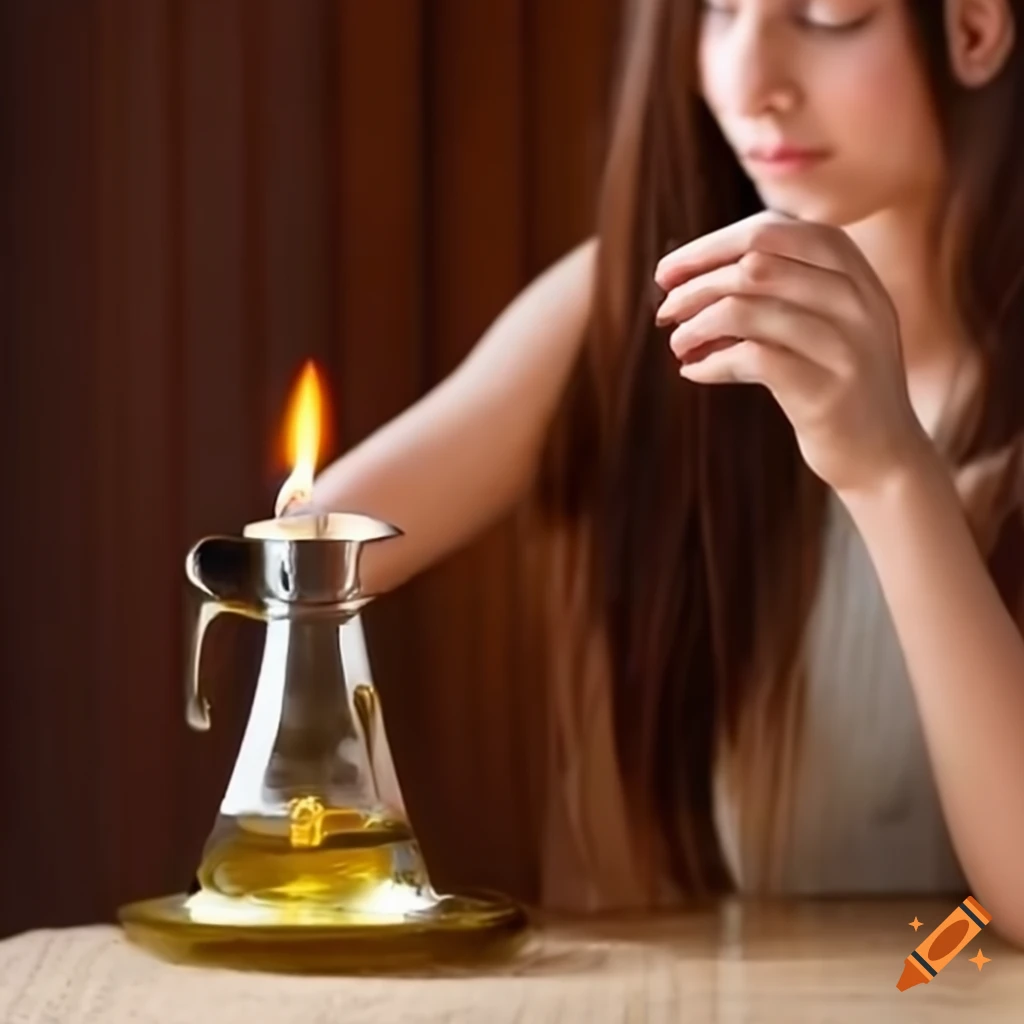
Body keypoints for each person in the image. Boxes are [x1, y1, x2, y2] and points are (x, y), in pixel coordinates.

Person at [312, 0, 1024, 944]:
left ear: (975, 29)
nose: (748, 79)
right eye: (718, 11)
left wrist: (892, 474)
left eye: (828, 14)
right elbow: (306, 558)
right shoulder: (631, 313)